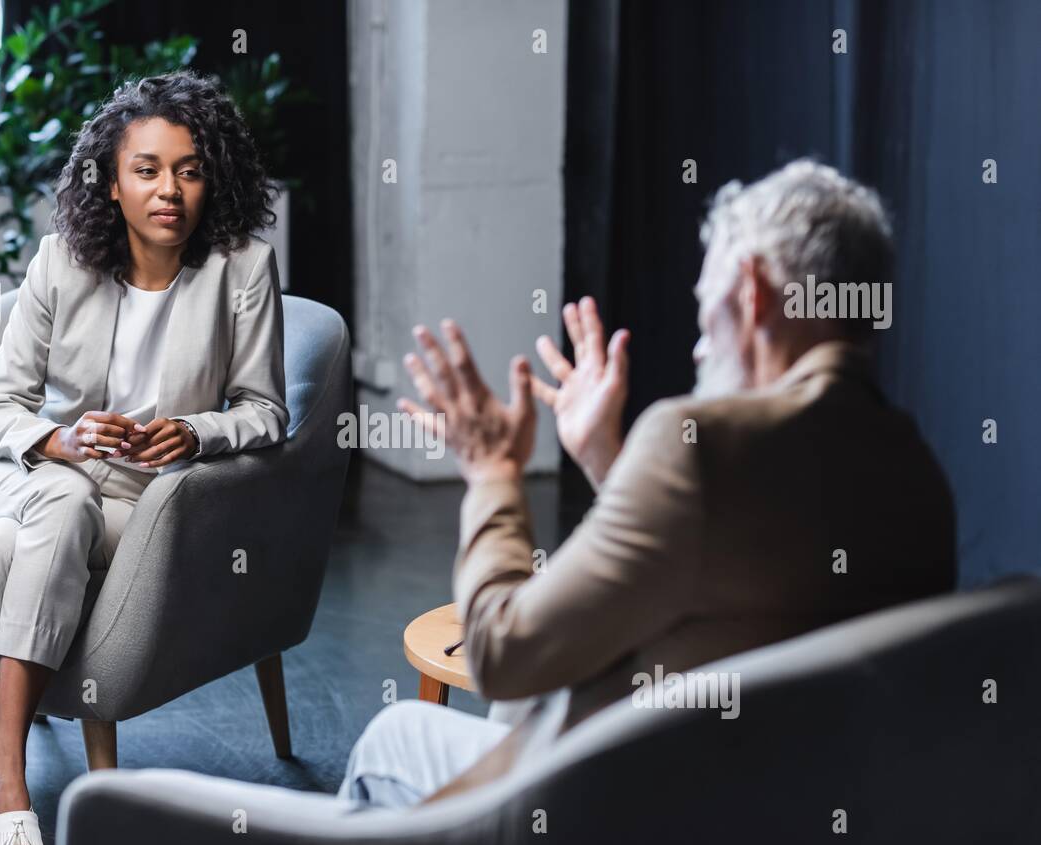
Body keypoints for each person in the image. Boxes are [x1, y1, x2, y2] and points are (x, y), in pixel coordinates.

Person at [338, 158, 957, 807]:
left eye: (703, 308)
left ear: (752, 291)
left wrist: (492, 470)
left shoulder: (698, 448)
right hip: (782, 817)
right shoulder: (919, 477)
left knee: (394, 734)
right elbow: (722, 580)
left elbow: (501, 654)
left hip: (627, 818)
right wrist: (612, 458)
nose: (696, 348)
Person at [0, 70, 288, 845]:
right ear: (113, 184)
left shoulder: (243, 269)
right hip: (5, 475)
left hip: (130, 504)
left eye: (189, 170)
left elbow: (266, 410)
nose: (169, 190)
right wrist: (60, 441)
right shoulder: (62, 260)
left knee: (2, 554)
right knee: (55, 500)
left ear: (211, 178)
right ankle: (6, 781)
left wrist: (194, 434)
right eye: (147, 169)